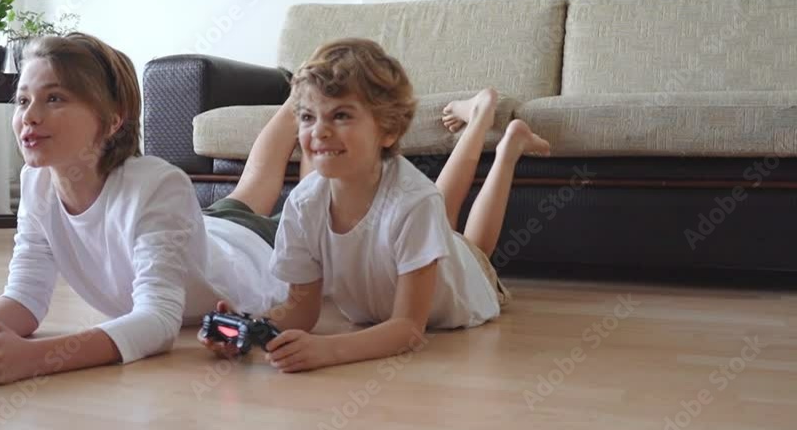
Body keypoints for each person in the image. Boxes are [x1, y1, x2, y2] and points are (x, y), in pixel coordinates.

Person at [0, 32, 288, 385]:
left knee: (273, 193)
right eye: (23, 100)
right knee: (250, 189)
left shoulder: (158, 185)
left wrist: (34, 359)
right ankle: (296, 106)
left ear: (113, 120)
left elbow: (159, 322)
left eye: (54, 98)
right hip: (202, 234)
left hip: (255, 251)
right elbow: (24, 299)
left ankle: (299, 101)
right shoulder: (36, 182)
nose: (30, 116)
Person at [201, 38, 551, 372]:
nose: (319, 131)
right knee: (438, 211)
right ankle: (482, 113)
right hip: (418, 232)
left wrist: (329, 350)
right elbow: (301, 311)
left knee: (477, 249)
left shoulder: (414, 201)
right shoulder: (304, 204)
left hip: (465, 281)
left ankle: (506, 146)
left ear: (388, 131)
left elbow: (408, 329)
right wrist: (251, 327)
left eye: (340, 115)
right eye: (307, 117)